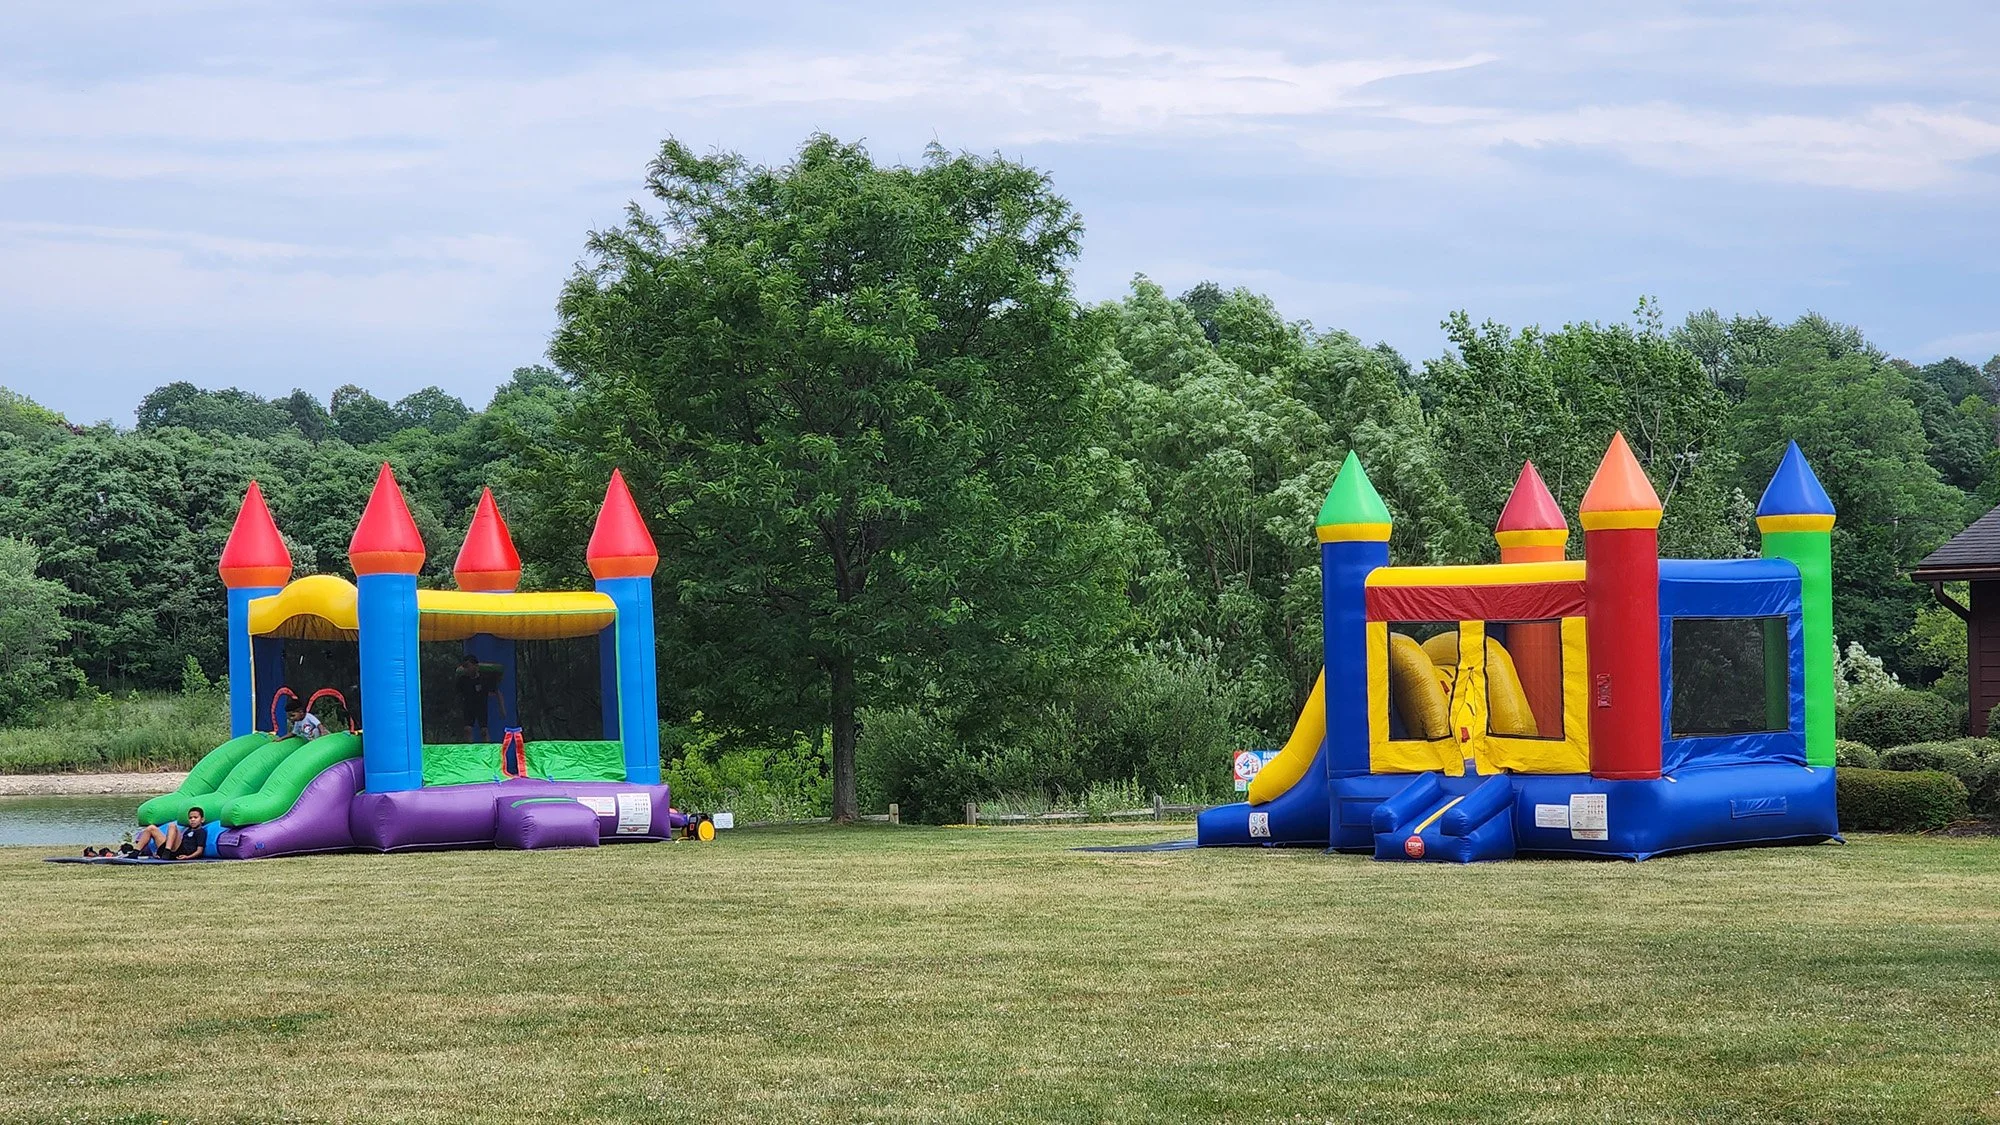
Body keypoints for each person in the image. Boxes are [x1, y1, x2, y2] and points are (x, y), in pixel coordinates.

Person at [114, 806, 209, 860]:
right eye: (190, 818)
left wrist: (187, 857)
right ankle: (135, 852)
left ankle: (166, 852)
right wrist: (156, 852)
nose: (192, 820)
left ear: (202, 819)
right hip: (172, 849)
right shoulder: (188, 829)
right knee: (151, 828)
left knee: (172, 826)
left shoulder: (201, 832)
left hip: (181, 852)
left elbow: (199, 851)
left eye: (195, 818)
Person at [456, 654, 501, 743]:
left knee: (483, 731)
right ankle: (469, 749)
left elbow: (496, 692)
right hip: (468, 707)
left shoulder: (484, 679)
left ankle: (487, 749)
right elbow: (458, 694)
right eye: (464, 667)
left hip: (481, 707)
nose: (466, 669)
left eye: (468, 666)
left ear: (475, 666)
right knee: (467, 729)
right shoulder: (462, 680)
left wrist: (502, 708)